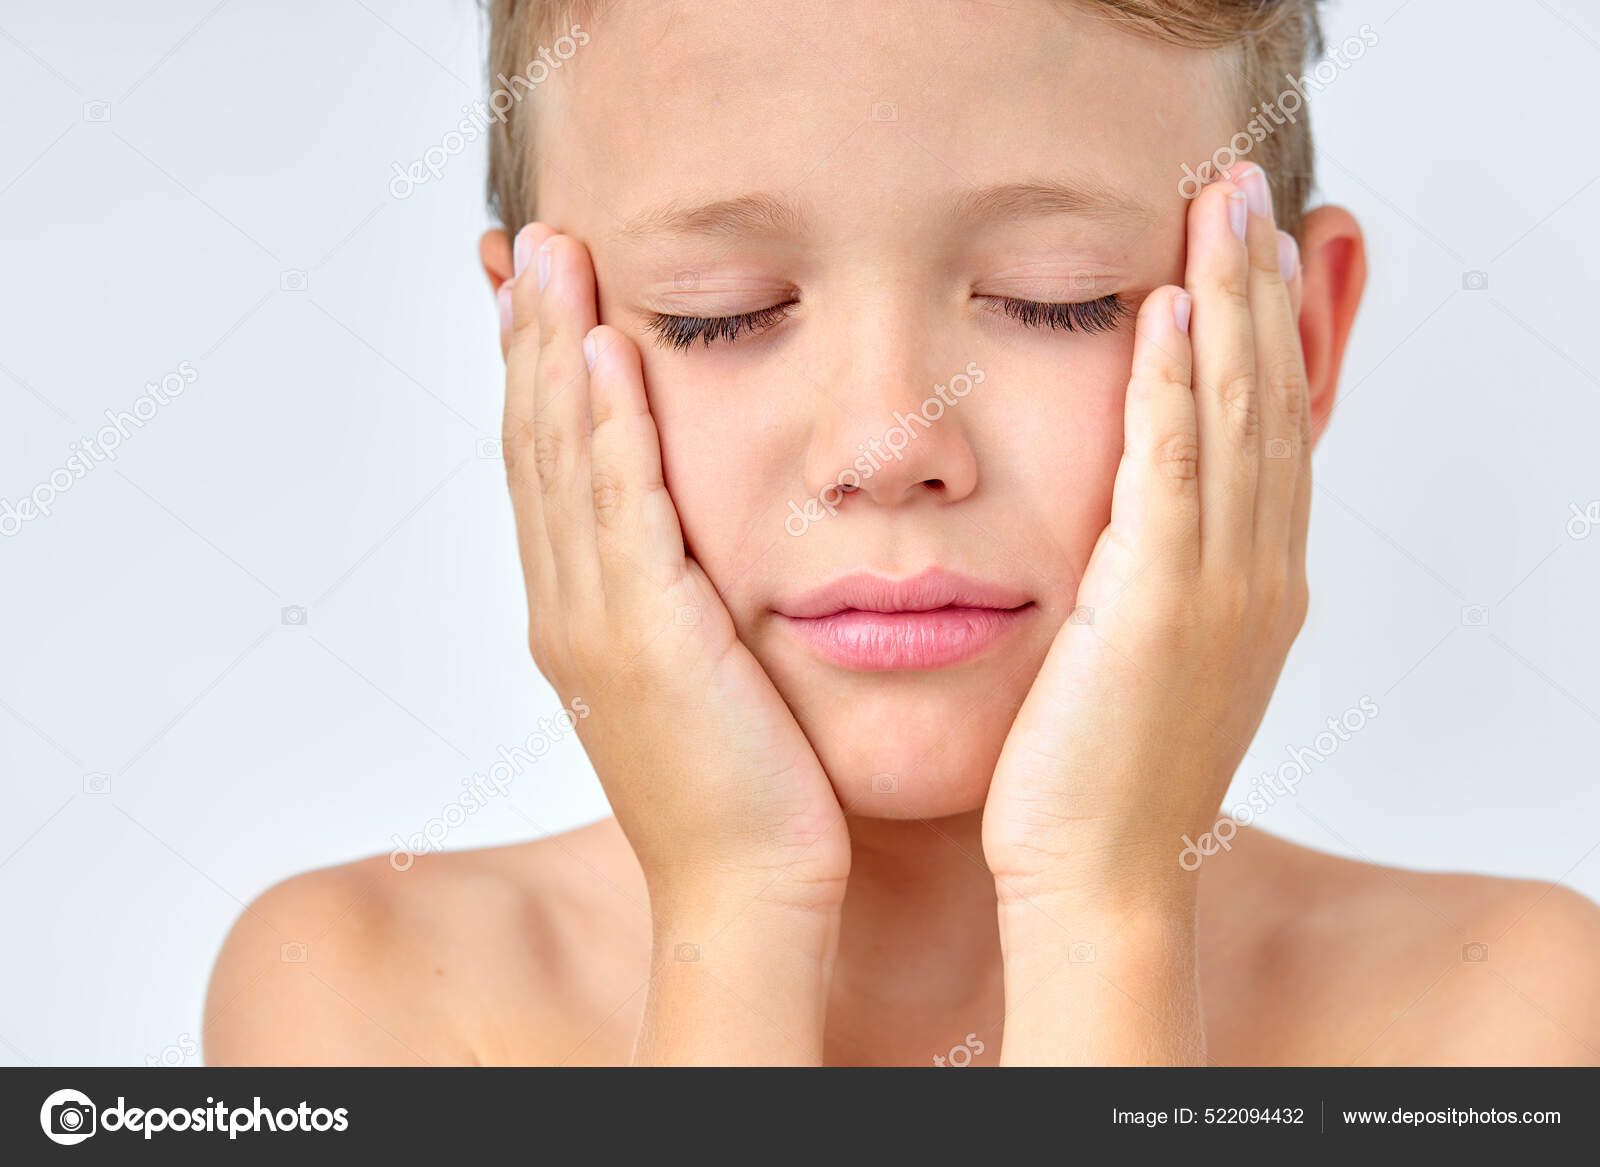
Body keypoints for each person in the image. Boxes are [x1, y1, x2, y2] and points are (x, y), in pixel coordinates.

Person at [205, 0, 1600, 1065]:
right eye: (719, 311)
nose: (887, 446)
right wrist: (734, 908)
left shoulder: (1505, 1010)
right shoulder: (367, 997)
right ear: (534, 362)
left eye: (1057, 298)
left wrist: (1102, 908)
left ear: (1289, 345)